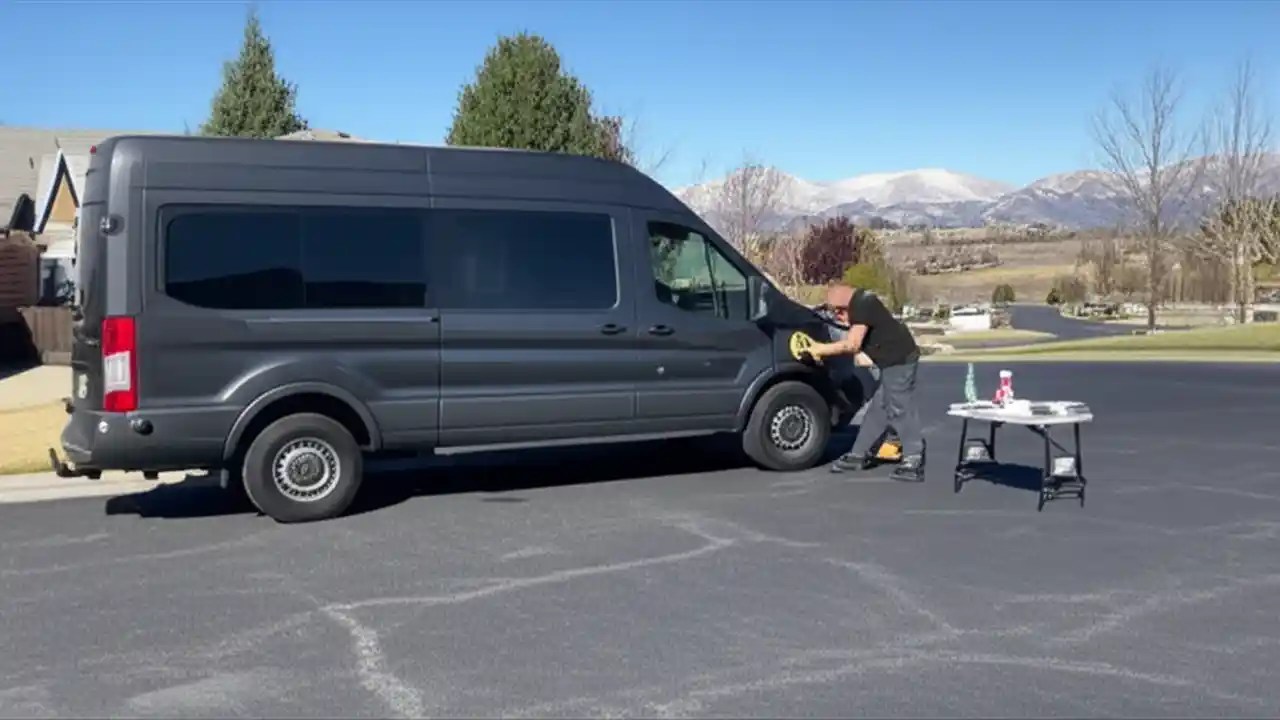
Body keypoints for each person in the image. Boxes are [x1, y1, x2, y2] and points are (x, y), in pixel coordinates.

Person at [806, 284, 926, 482]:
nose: (838, 318)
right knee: (878, 408)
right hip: (890, 360)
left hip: (900, 359)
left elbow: (852, 344)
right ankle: (858, 454)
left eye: (838, 313)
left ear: (844, 308)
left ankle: (914, 458)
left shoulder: (862, 306)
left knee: (899, 407)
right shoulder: (861, 300)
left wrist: (819, 349)